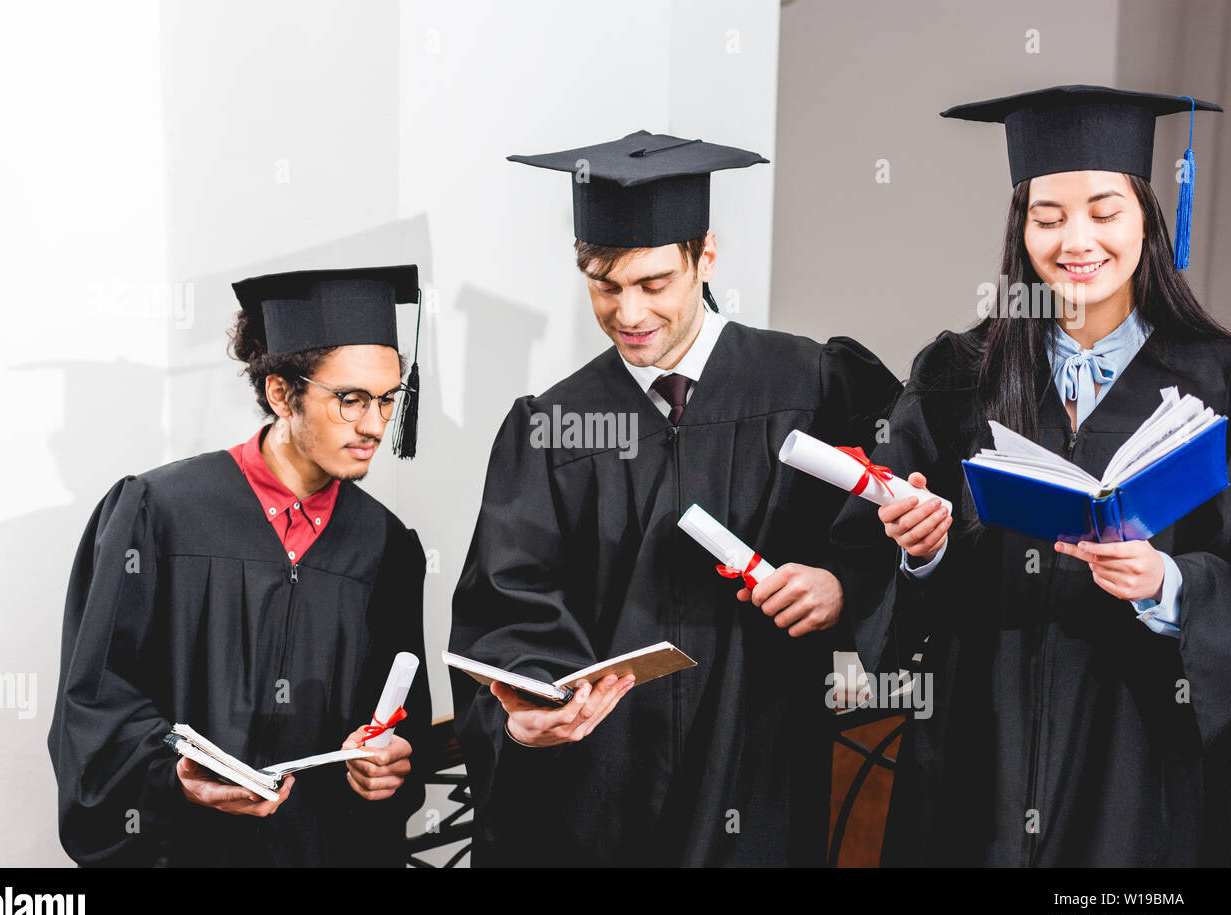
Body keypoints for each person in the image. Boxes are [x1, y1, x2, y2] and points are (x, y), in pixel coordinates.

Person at [449, 130, 903, 865]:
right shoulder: (552, 426)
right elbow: (506, 599)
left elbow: (903, 504)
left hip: (758, 764)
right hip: (598, 797)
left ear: (706, 257)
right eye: (604, 284)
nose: (628, 313)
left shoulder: (811, 384)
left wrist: (841, 583)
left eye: (654, 283)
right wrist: (533, 703)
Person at [832, 86, 1231, 866]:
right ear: (1021, 227)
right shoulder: (956, 374)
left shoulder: (1217, 382)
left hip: (1137, 770)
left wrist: (1169, 584)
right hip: (976, 760)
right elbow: (873, 567)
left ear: (1148, 218)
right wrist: (921, 548)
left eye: (1104, 211)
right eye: (1047, 217)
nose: (1076, 239)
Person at [47, 266, 432, 866]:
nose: (374, 425)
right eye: (350, 399)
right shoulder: (159, 512)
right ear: (282, 393)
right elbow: (97, 698)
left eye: (387, 399)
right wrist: (173, 774)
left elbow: (401, 715)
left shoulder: (384, 545)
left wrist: (384, 762)